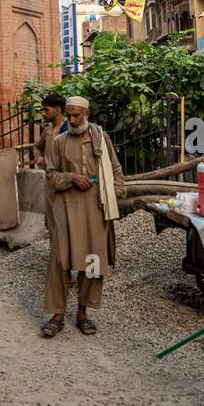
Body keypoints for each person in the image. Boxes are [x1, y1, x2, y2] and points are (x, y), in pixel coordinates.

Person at [41, 94, 126, 339]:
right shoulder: (59, 142)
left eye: (77, 115)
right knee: (60, 261)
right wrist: (70, 178)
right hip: (65, 208)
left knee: (91, 261)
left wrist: (114, 192)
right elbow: (51, 175)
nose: (73, 119)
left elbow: (116, 169)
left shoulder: (101, 138)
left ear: (86, 114)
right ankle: (57, 315)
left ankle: (82, 313)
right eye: (70, 115)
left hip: (94, 208)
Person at [32, 92, 68, 234]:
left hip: (65, 181)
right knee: (51, 222)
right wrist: (39, 159)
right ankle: (56, 255)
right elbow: (36, 147)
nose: (43, 113)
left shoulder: (68, 130)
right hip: (50, 182)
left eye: (46, 109)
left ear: (58, 110)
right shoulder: (48, 130)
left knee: (65, 221)